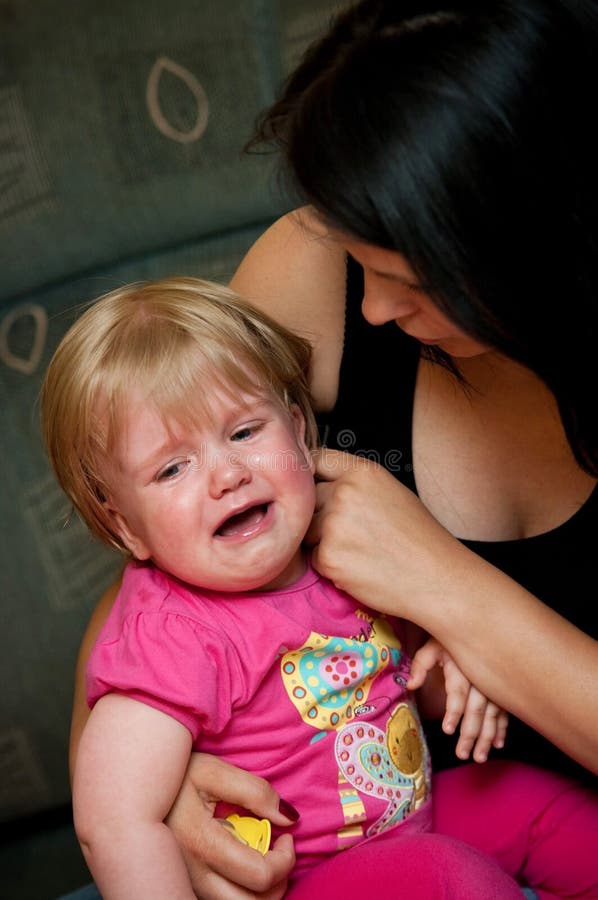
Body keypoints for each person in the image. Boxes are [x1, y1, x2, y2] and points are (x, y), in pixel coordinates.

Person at [62, 1, 598, 897]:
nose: (377, 308)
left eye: (411, 275)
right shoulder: (317, 270)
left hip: (463, 808)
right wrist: (166, 791)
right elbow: (149, 589)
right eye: (364, 261)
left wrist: (445, 589)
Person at [43, 278, 598, 900]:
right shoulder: (175, 632)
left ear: (301, 429)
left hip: (411, 816)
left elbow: (405, 681)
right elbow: (113, 820)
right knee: (451, 880)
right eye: (173, 468)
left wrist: (457, 664)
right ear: (124, 525)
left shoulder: (348, 550)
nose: (228, 474)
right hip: (302, 878)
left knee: (549, 810)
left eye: (246, 432)